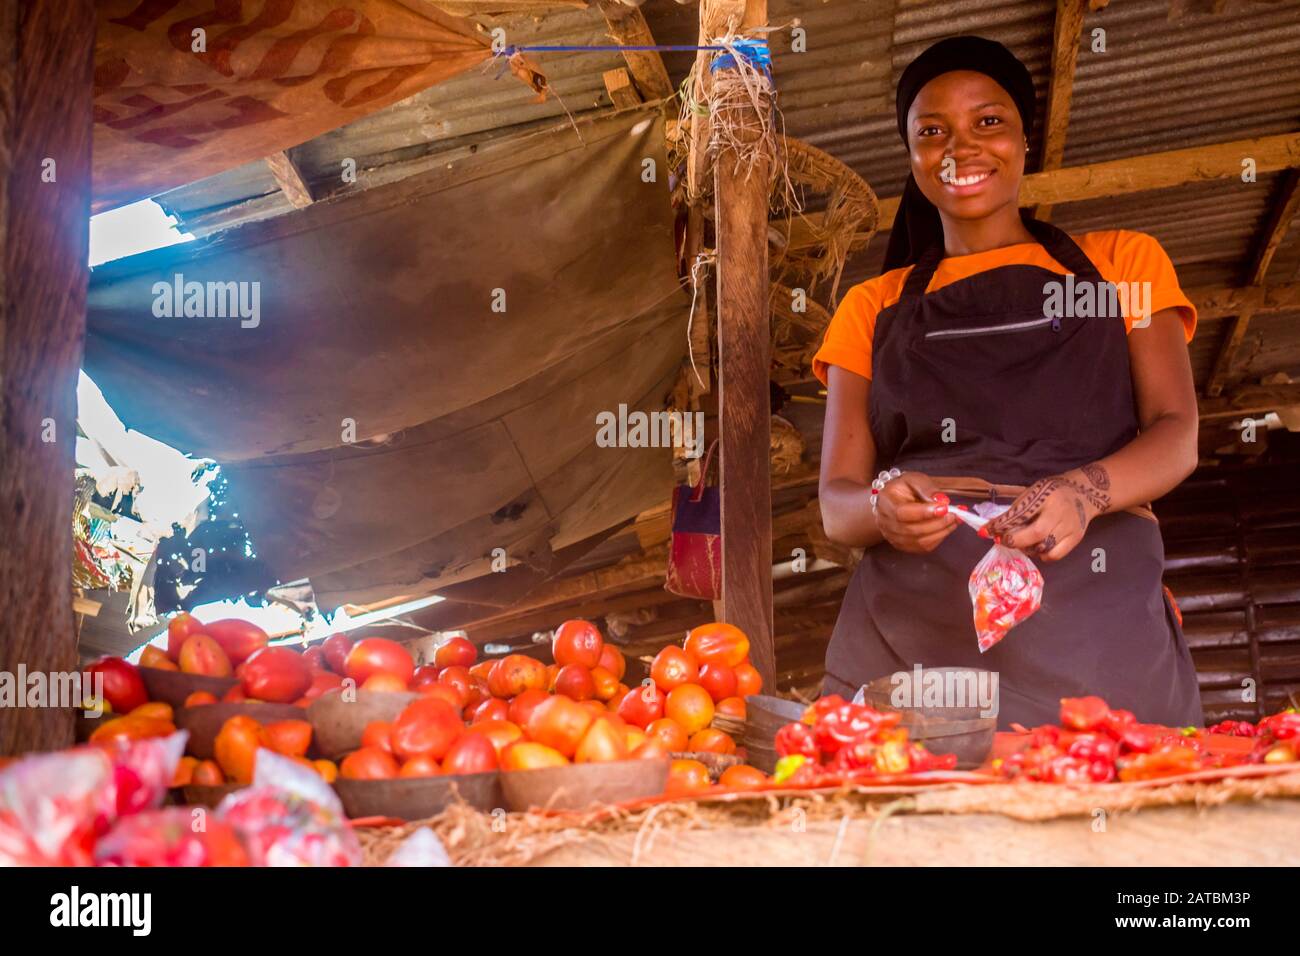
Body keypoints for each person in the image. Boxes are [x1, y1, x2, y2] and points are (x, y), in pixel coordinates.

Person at [812, 35, 1204, 729]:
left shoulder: (1124, 264)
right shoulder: (871, 307)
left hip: (1094, 617)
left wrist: (1084, 494)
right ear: (912, 158)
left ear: (1026, 141)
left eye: (987, 122)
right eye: (932, 132)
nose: (960, 148)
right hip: (914, 627)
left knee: (1126, 803)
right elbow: (838, 502)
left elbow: (1177, 434)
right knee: (892, 814)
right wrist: (882, 513)